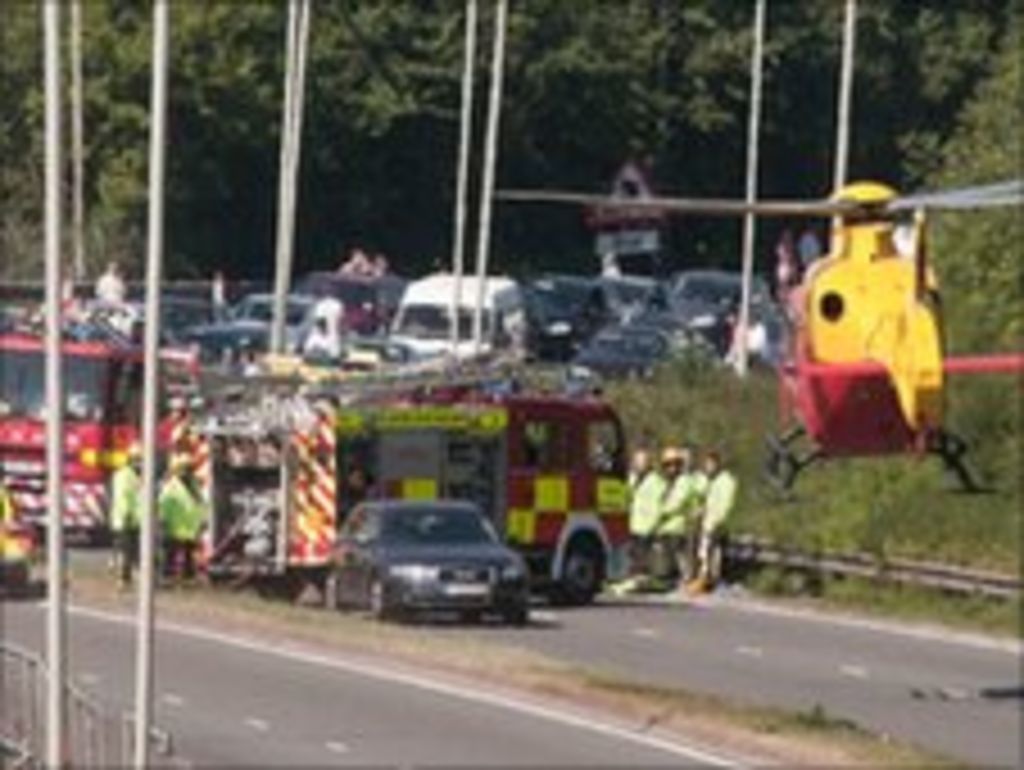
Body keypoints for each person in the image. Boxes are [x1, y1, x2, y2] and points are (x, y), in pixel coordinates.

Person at [686, 450, 738, 595]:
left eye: (711, 464)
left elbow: (726, 504)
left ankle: (712, 580)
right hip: (705, 522)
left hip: (717, 524)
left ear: (717, 464)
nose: (708, 467)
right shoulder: (707, 480)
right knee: (702, 552)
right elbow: (699, 496)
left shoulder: (726, 481)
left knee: (713, 553)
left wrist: (717, 521)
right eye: (706, 465)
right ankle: (701, 579)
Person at [656, 446, 707, 587]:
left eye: (685, 459)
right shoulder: (675, 479)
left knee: (686, 551)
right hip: (676, 522)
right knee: (679, 551)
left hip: (688, 520)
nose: (684, 462)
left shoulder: (687, 480)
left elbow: (679, 500)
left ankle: (689, 578)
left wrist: (662, 511)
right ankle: (684, 576)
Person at [158, 457, 207, 583]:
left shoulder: (193, 484)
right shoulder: (171, 486)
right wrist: (163, 521)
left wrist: (203, 519)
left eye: (189, 469)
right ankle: (167, 575)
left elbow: (201, 503)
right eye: (185, 469)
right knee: (170, 552)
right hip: (175, 526)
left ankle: (188, 575)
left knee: (189, 553)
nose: (187, 472)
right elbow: (164, 504)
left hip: (190, 526)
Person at [109, 443, 143, 589]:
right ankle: (124, 578)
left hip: (136, 519)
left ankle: (131, 576)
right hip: (125, 519)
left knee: (134, 550)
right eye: (137, 459)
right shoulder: (124, 475)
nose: (140, 463)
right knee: (126, 550)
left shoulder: (137, 475)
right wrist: (126, 514)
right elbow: (122, 496)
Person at [302, 297, 346, 361]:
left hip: (331, 350)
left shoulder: (337, 305)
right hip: (318, 352)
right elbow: (320, 320)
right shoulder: (322, 305)